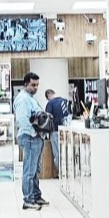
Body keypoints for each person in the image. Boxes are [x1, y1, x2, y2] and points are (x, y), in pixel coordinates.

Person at [14, 72, 47, 210]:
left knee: (36, 169)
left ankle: (36, 195)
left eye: (37, 85)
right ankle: (28, 199)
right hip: (30, 137)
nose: (36, 87)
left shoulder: (31, 98)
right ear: (26, 84)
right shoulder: (23, 99)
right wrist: (34, 133)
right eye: (33, 85)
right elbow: (22, 120)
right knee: (29, 170)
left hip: (36, 137)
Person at [44, 89, 72, 178]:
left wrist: (46, 132)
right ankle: (69, 171)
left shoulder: (50, 103)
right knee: (67, 151)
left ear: (48, 96)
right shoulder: (65, 101)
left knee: (57, 153)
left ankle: (61, 173)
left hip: (55, 130)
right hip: (67, 130)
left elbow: (47, 119)